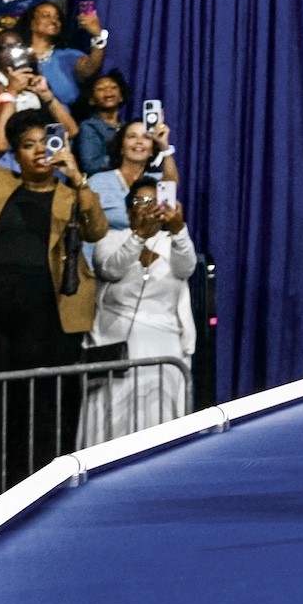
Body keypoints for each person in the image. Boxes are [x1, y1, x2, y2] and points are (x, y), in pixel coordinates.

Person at [0, 112, 108, 486]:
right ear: (15, 154)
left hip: (51, 319)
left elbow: (97, 230)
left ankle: (49, 484)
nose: (39, 151)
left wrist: (77, 177)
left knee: (47, 405)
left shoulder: (72, 193)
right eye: (28, 144)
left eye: (46, 143)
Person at [81, 175, 197, 440]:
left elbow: (186, 268)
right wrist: (139, 236)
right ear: (127, 210)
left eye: (155, 201)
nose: (148, 206)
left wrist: (178, 230)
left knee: (160, 422)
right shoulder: (110, 239)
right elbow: (111, 269)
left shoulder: (172, 241)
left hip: (165, 348)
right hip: (116, 348)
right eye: (140, 200)